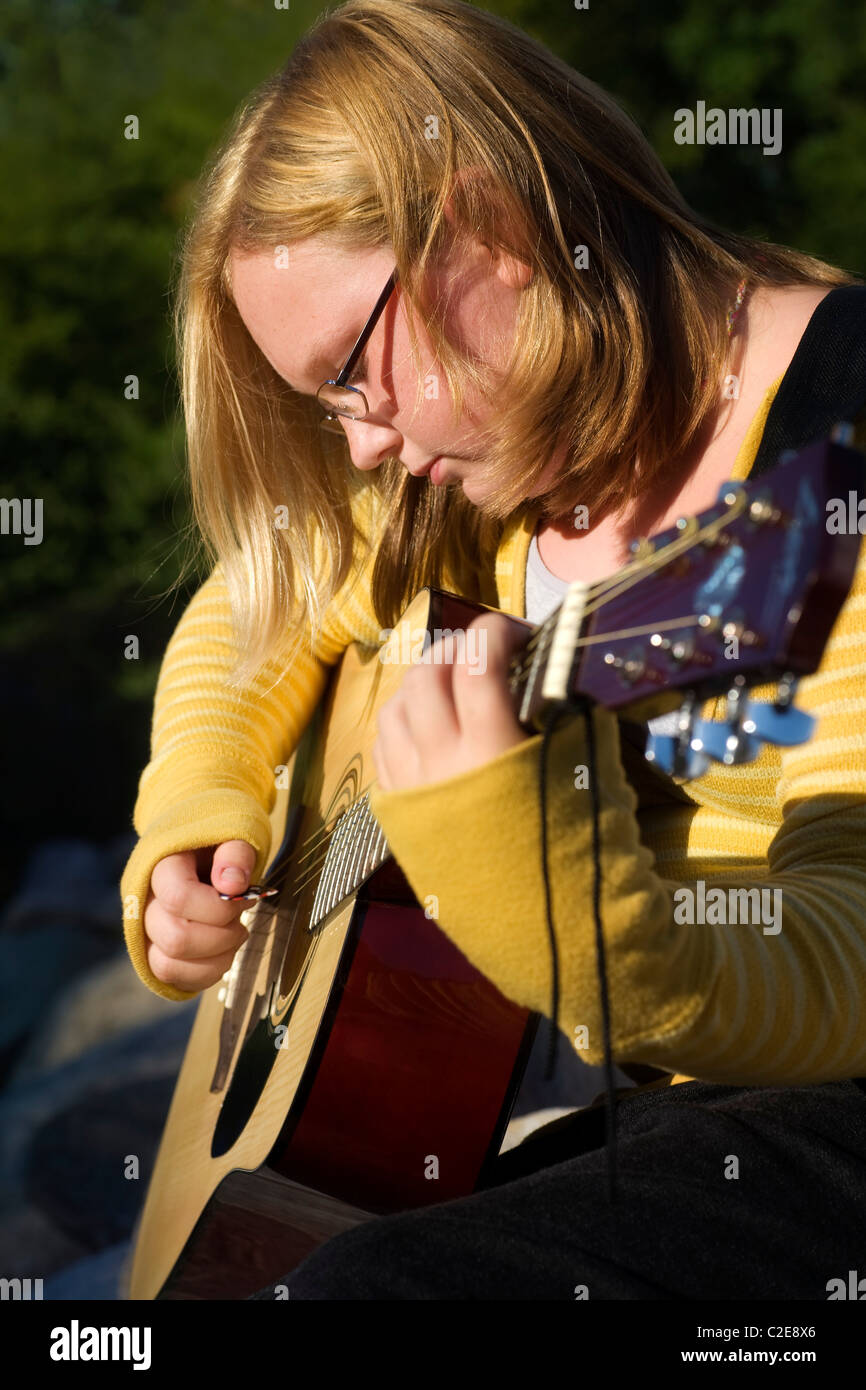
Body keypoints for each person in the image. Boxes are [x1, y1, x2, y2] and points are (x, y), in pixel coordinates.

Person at [120, 0, 866, 1299]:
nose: (357, 443)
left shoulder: (832, 465)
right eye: (324, 405)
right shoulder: (492, 472)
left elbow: (844, 957)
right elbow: (256, 600)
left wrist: (548, 894)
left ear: (492, 232)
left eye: (354, 371)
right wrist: (199, 809)